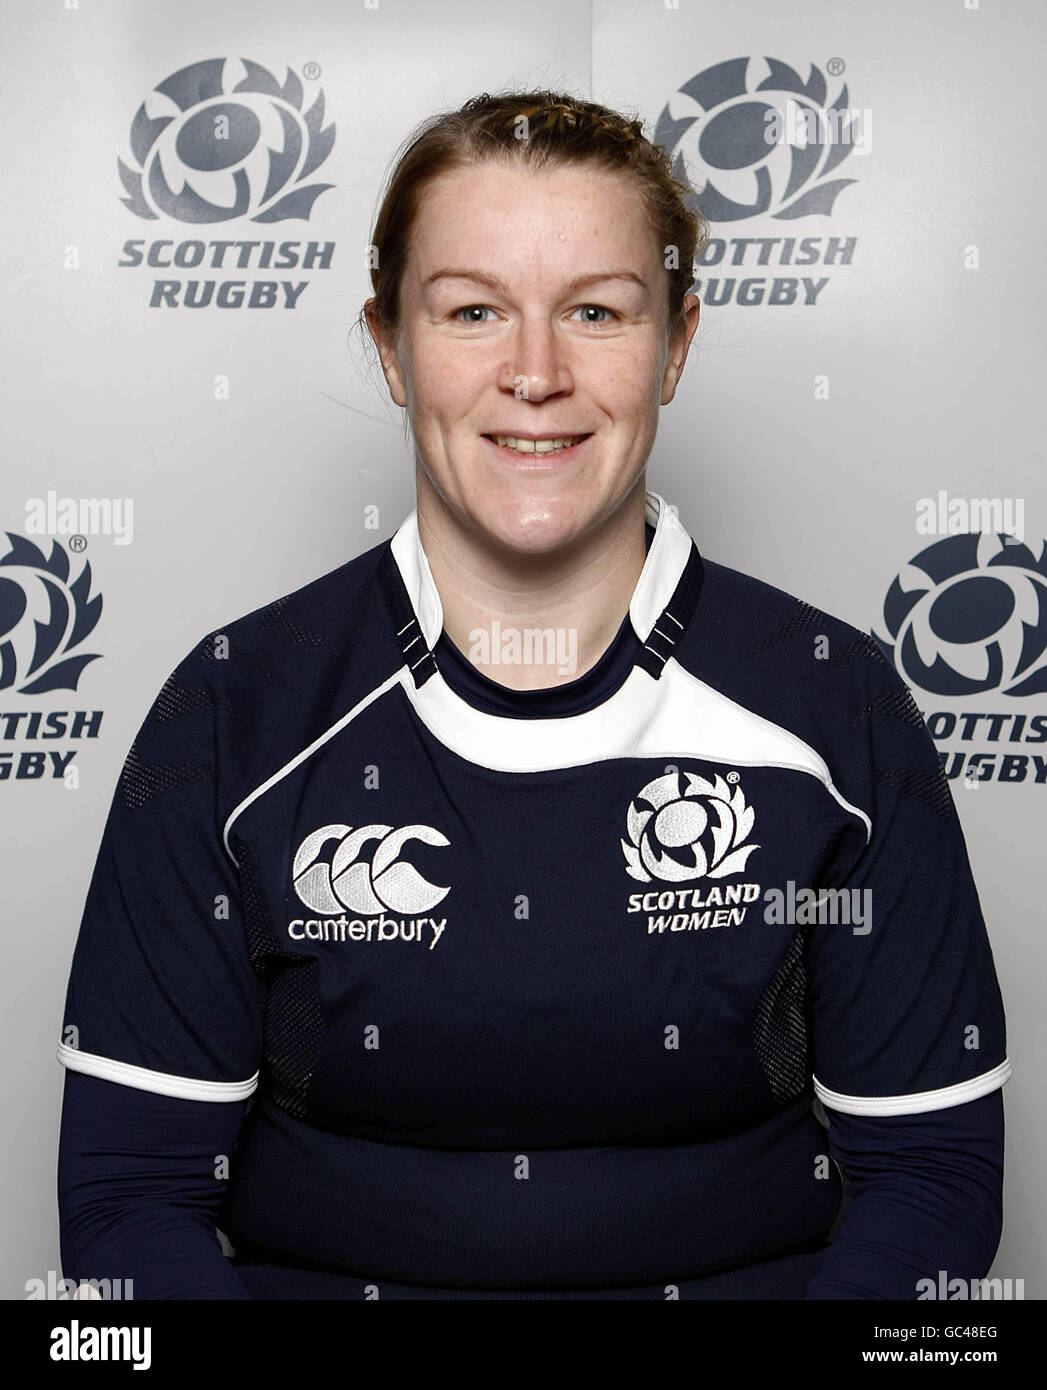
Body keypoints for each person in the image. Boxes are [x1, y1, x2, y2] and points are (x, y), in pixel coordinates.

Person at [56, 90, 1010, 1300]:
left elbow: (929, 1177)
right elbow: (129, 1199)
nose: (536, 374)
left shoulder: (838, 707)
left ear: (676, 344)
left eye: (598, 312)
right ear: (390, 347)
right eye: (472, 312)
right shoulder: (237, 708)